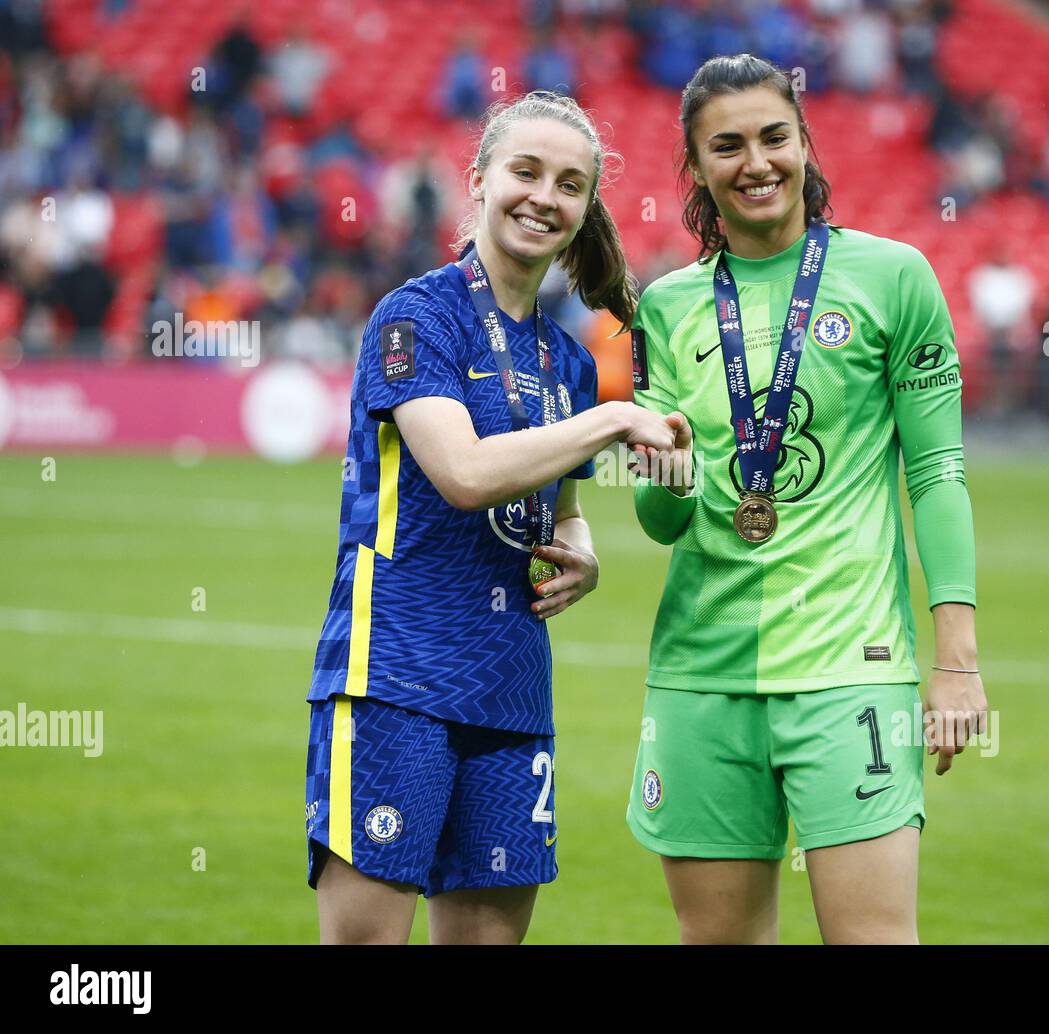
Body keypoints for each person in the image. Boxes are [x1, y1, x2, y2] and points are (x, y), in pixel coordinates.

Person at [625, 54, 986, 945]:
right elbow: (661, 523)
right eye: (727, 146)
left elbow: (936, 472)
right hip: (701, 673)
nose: (756, 163)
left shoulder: (895, 277)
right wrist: (664, 473)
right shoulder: (664, 308)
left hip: (850, 670)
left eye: (773, 137)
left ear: (804, 141)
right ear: (696, 165)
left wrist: (957, 658)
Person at [305, 91, 680, 945]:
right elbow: (466, 474)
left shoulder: (569, 362)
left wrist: (582, 554)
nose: (545, 196)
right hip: (395, 677)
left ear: (586, 211)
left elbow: (566, 513)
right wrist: (618, 417)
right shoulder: (415, 317)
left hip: (511, 690)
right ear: (478, 180)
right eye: (526, 171)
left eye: (570, 184)